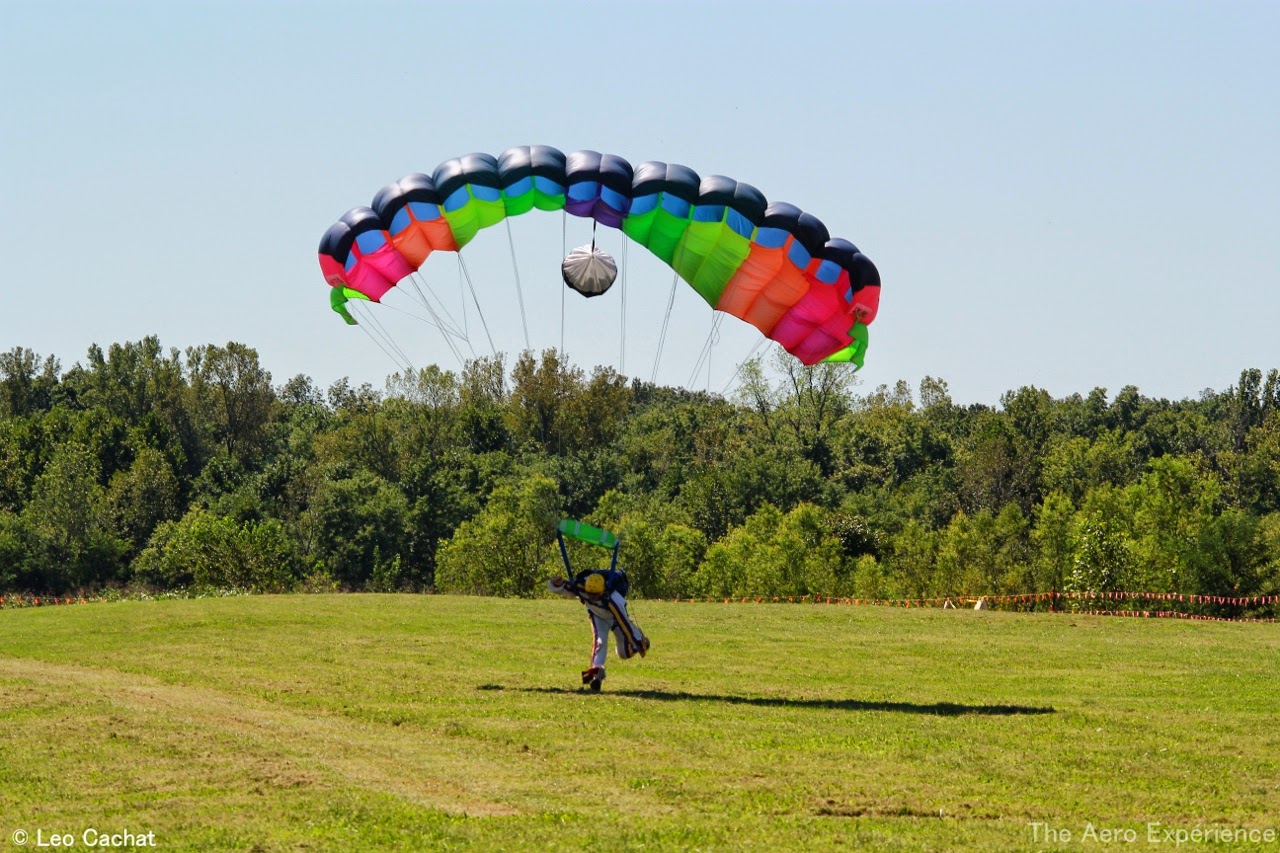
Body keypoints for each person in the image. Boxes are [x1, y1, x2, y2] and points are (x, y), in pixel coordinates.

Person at [548, 567, 649, 692]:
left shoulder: (614, 600)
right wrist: (555, 583)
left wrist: (638, 641)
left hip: (615, 619)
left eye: (595, 594)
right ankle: (596, 674)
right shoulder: (582, 588)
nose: (592, 597)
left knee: (624, 654)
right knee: (600, 642)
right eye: (590, 593)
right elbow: (566, 588)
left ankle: (643, 640)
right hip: (598, 617)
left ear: (602, 590)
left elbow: (624, 623)